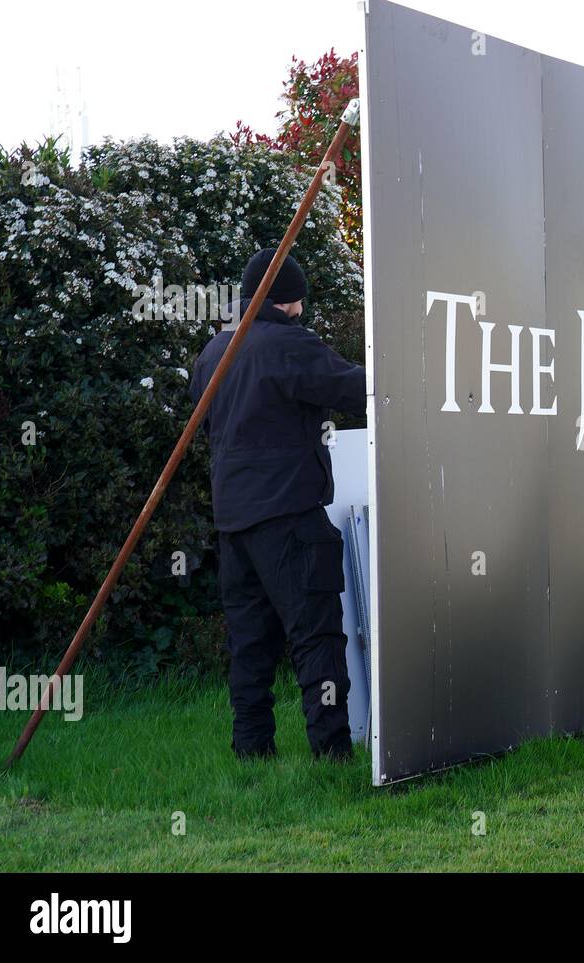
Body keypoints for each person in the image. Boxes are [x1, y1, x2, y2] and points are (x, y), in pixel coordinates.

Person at [190, 249, 366, 760]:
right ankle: (332, 753)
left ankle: (251, 750)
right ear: (290, 301)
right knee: (316, 636)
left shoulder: (212, 354)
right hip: (289, 516)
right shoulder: (291, 345)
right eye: (301, 303)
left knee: (249, 646)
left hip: (232, 524)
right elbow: (359, 390)